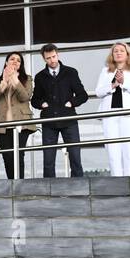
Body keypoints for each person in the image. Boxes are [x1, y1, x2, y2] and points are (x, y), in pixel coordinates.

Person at [30, 44, 88, 178]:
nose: (52, 60)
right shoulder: (40, 77)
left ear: (58, 54)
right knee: (48, 159)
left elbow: (82, 95)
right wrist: (42, 104)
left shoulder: (70, 72)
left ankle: (79, 185)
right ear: (44, 59)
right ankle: (49, 188)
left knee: (75, 156)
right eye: (48, 58)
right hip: (49, 121)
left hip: (69, 120)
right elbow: (34, 100)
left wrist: (71, 103)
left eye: (54, 56)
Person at [95, 42, 130, 177]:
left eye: (121, 50)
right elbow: (98, 92)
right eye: (115, 51)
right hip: (110, 113)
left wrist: (124, 83)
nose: (118, 53)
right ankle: (116, 179)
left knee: (129, 149)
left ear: (127, 54)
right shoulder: (106, 71)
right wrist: (112, 85)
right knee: (112, 149)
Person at [0, 52, 35, 180]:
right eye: (12, 59)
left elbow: (25, 96)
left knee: (18, 155)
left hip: (22, 124)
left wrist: (15, 81)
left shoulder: (27, 79)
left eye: (18, 60)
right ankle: (11, 184)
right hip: (3, 124)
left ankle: (20, 184)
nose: (15, 61)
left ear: (21, 64)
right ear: (6, 62)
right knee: (7, 156)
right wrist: (3, 83)